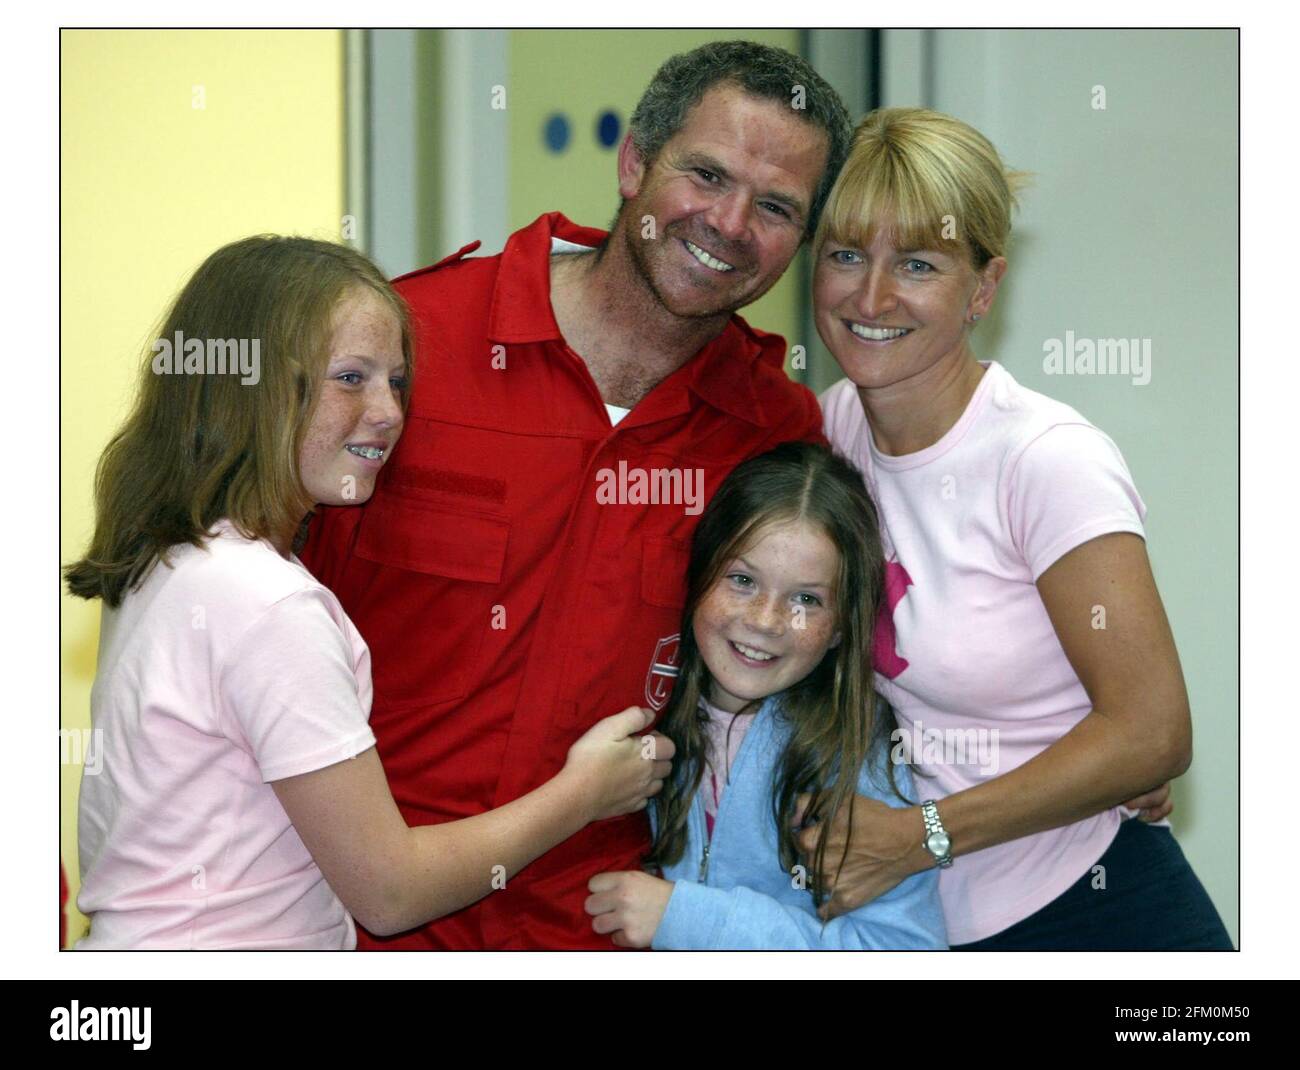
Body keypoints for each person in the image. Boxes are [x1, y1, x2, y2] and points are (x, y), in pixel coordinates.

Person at [300, 40, 853, 949]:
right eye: (705, 173)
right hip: (341, 930)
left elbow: (837, 662)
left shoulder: (777, 436)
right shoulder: (410, 343)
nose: (728, 221)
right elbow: (232, 589)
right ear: (636, 161)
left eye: (777, 207)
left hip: (593, 935)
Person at [65, 235, 670, 949]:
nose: (389, 412)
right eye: (351, 378)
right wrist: (583, 795)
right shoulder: (265, 603)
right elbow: (390, 890)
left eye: (397, 382)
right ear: (248, 387)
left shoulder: (173, 559)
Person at [807, 107, 1232, 949]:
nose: (871, 295)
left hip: (1097, 913)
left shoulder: (1048, 459)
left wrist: (918, 834)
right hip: (927, 925)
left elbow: (1154, 732)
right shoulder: (833, 431)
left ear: (984, 287)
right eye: (846, 254)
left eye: (918, 264)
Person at [584, 443, 946, 949]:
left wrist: (686, 918)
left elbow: (902, 948)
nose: (765, 621)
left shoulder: (856, 752)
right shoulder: (650, 715)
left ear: (843, 625)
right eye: (742, 580)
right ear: (699, 574)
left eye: (806, 599)